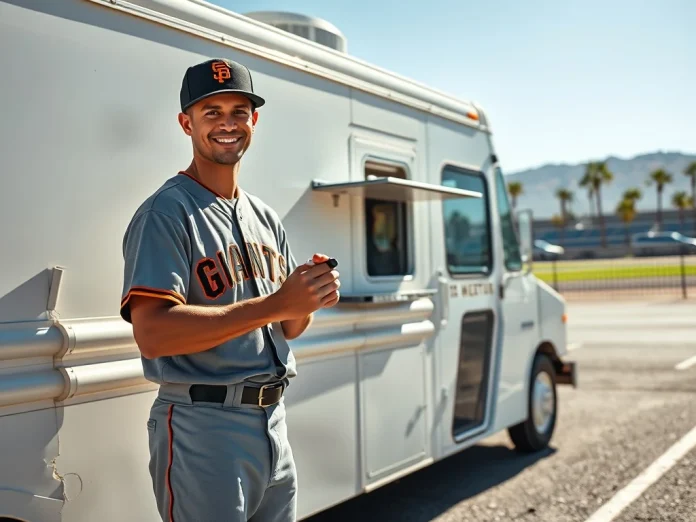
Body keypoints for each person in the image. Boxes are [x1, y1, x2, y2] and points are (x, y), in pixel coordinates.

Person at [119, 57, 340, 522]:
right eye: (211, 112)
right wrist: (277, 302)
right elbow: (153, 334)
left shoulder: (265, 216)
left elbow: (287, 327)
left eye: (239, 111)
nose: (228, 124)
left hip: (272, 421)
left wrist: (308, 296)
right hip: (205, 425)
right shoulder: (166, 212)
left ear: (254, 120)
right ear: (187, 123)